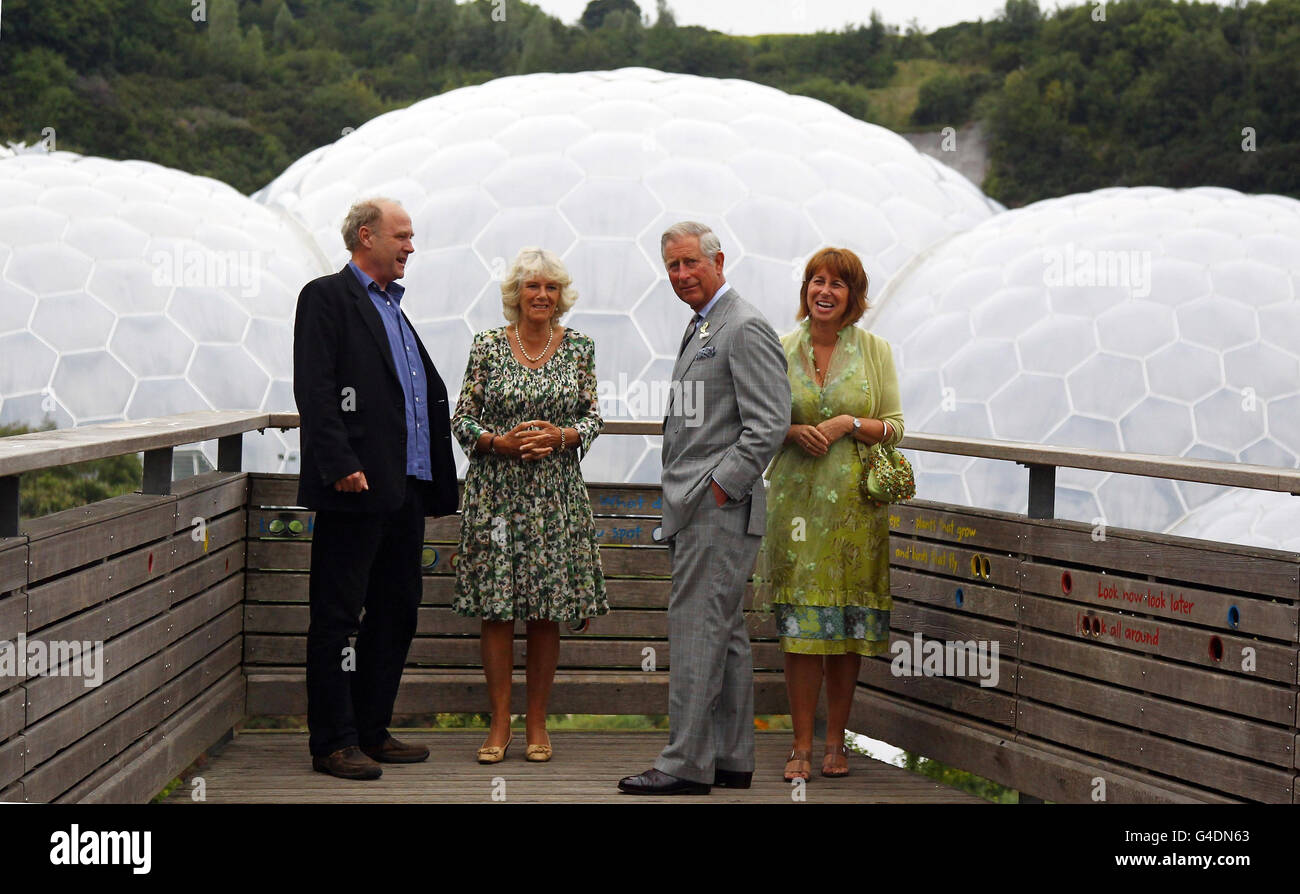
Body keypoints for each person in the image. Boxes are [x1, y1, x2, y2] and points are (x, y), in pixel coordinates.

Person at [618, 222, 790, 795]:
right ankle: (732, 759)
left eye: (691, 262)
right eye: (672, 266)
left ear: (719, 260)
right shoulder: (707, 323)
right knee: (727, 636)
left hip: (717, 511)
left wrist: (719, 489)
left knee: (695, 633)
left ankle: (684, 765)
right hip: (705, 510)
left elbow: (769, 424)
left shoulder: (742, 326)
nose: (682, 274)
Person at [293, 197, 459, 780]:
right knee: (338, 617)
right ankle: (333, 742)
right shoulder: (327, 298)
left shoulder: (395, 309)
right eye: (403, 236)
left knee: (397, 611)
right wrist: (338, 461)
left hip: (405, 488)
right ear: (366, 237)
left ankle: (370, 729)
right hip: (354, 487)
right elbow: (315, 389)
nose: (411, 247)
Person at [451, 247, 608, 764]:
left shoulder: (580, 348)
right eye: (532, 287)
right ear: (515, 295)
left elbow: (592, 417)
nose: (542, 296)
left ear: (561, 297)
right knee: (496, 611)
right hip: (496, 492)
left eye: (551, 288)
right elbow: (462, 419)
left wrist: (562, 436)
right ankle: (499, 724)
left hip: (555, 495)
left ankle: (537, 721)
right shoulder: (488, 346)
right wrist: (501, 443)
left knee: (547, 611)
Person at [753, 246, 905, 780]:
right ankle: (799, 746)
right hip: (794, 505)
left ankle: (836, 742)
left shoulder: (874, 350)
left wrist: (846, 424)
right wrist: (793, 431)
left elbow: (894, 426)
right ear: (806, 291)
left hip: (855, 511)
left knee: (845, 630)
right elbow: (760, 421)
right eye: (816, 281)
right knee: (800, 630)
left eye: (837, 284)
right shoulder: (780, 347)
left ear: (853, 296)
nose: (824, 291)